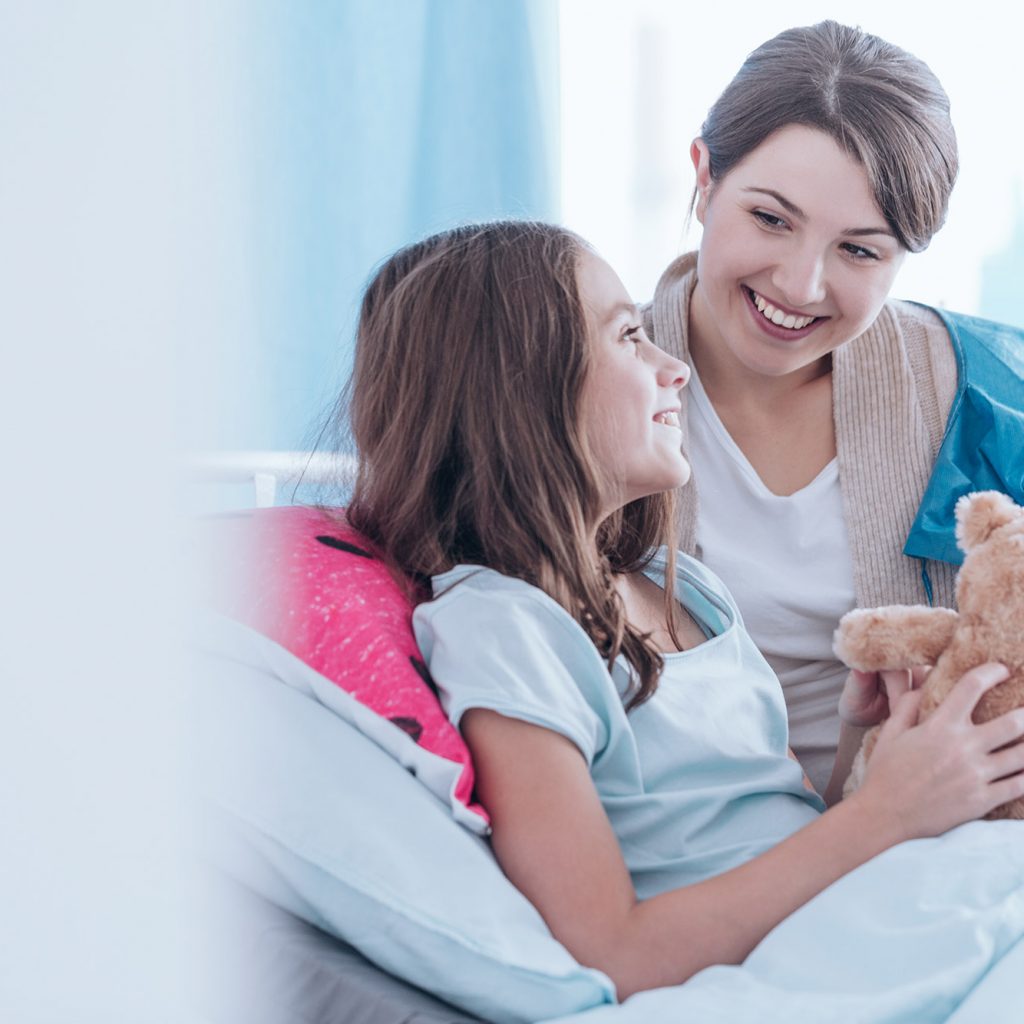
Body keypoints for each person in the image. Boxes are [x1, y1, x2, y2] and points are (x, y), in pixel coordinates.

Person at [343, 219, 1024, 1000]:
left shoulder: (679, 582)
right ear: (517, 387)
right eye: (630, 336)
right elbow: (612, 951)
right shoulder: (504, 629)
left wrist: (864, 743)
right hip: (775, 959)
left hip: (833, 913)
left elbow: (777, 834)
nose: (677, 369)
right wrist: (889, 816)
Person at [643, 20, 1024, 798]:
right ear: (704, 177)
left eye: (859, 250)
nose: (800, 286)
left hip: (946, 840)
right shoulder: (573, 383)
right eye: (771, 219)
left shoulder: (983, 391)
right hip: (686, 844)